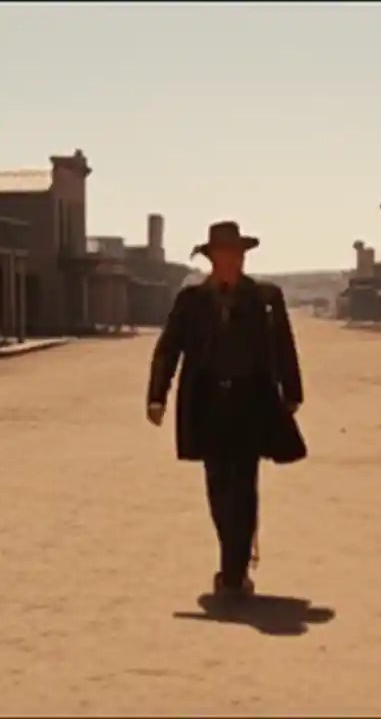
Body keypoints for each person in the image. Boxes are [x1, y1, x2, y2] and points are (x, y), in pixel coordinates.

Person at [146, 220, 307, 599]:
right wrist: (157, 396)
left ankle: (232, 575)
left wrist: (292, 391)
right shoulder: (190, 301)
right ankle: (231, 558)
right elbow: (169, 349)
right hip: (208, 405)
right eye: (223, 255)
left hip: (251, 403)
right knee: (219, 488)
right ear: (212, 258)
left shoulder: (265, 299)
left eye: (235, 254)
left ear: (243, 257)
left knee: (245, 487)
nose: (230, 261)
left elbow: (284, 345)